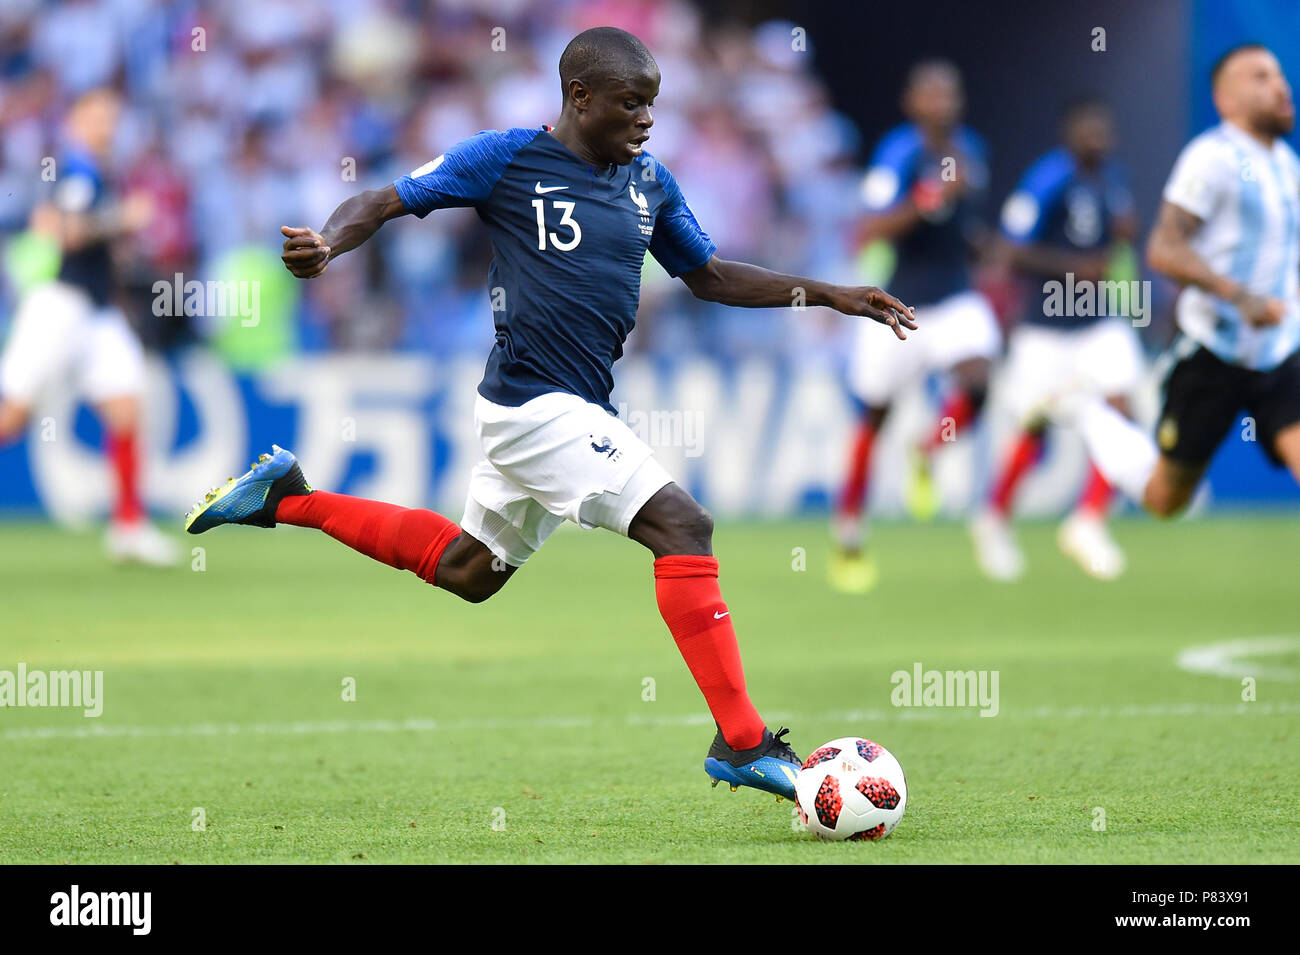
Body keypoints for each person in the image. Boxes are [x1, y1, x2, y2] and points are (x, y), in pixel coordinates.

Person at [184, 27, 916, 802]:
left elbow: (709, 276)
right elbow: (383, 200)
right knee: (683, 525)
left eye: (653, 106)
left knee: (470, 571)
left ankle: (288, 498)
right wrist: (329, 244)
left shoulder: (648, 183)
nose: (646, 121)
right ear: (580, 97)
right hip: (535, 404)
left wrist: (832, 293)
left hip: (564, 405)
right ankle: (741, 741)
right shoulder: (504, 158)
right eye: (632, 104)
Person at [1069, 45, 1300, 511]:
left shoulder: (1287, 166)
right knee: (1165, 501)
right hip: (1211, 352)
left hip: (1278, 353)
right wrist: (1240, 297)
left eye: (1279, 75)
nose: (1280, 86)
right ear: (1225, 100)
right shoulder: (1212, 157)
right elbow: (1163, 248)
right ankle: (1084, 411)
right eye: (1260, 77)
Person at [831, 60, 999, 594]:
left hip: (953, 300)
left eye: (949, 92)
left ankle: (928, 449)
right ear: (913, 103)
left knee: (980, 383)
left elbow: (963, 225)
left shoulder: (972, 150)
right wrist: (929, 199)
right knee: (874, 418)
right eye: (931, 93)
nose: (942, 102)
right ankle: (850, 533)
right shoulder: (899, 154)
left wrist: (979, 242)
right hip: (897, 303)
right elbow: (870, 227)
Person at [0, 88, 178, 566]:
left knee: (126, 408)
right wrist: (124, 219)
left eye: (111, 117)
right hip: (62, 306)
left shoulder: (95, 170)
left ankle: (128, 525)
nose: (106, 125)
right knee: (11, 420)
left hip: (97, 312)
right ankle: (128, 525)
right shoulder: (79, 168)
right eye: (97, 116)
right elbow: (70, 231)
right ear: (77, 120)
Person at [972, 98, 1145, 581]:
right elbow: (1009, 250)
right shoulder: (1047, 179)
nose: (1098, 139)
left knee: (1122, 409)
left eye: (1104, 130)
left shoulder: (1114, 181)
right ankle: (994, 518)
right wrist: (1073, 268)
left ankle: (1088, 520)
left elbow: (1117, 248)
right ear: (1069, 134)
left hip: (1096, 322)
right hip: (1046, 327)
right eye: (1088, 130)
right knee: (1035, 425)